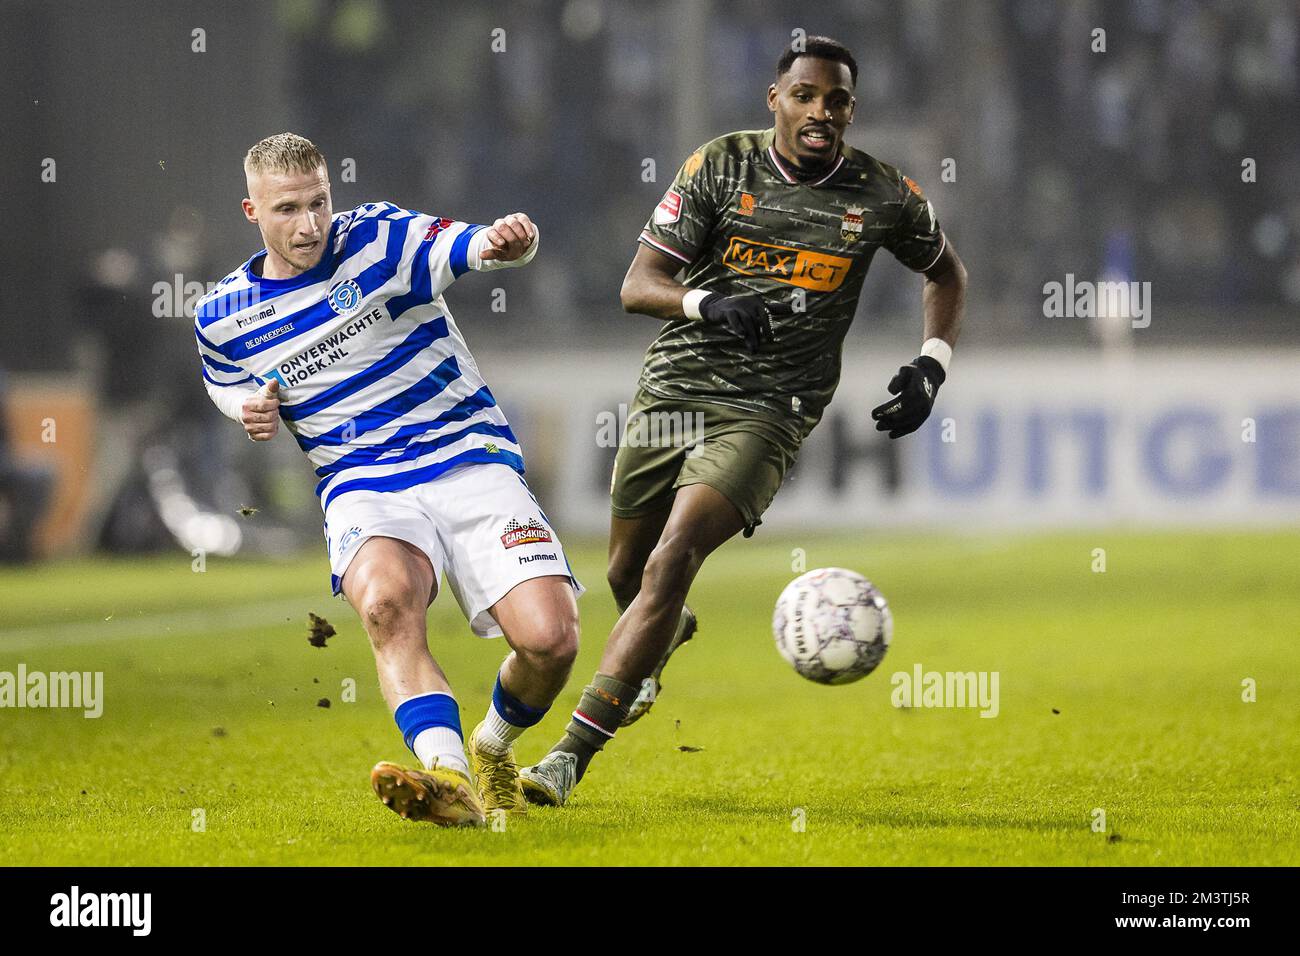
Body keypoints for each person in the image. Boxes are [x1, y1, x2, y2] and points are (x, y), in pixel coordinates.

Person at [521, 37, 967, 805]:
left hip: (772, 407)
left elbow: (945, 272)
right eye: (805, 96)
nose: (820, 111)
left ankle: (567, 757)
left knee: (671, 557)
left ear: (851, 111)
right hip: (674, 388)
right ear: (776, 99)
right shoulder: (721, 165)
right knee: (625, 574)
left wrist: (933, 364)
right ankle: (665, 633)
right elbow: (639, 284)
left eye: (836, 100)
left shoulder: (883, 194)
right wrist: (708, 302)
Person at [195, 133, 582, 827]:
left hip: (466, 455)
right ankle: (447, 778)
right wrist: (247, 407)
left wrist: (506, 241)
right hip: (360, 480)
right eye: (287, 210)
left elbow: (469, 246)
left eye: (318, 203)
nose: (309, 224)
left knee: (552, 640)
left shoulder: (379, 238)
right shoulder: (222, 315)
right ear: (251, 210)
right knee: (385, 604)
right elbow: (225, 381)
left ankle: (492, 747)